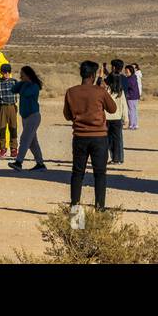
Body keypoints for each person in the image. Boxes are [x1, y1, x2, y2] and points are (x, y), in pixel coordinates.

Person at [64, 60, 116, 211]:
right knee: (100, 174)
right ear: (93, 75)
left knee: (77, 173)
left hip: (79, 137)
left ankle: (75, 213)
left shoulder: (71, 92)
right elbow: (112, 109)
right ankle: (99, 210)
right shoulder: (100, 92)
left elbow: (67, 115)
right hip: (99, 137)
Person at [9, 66, 46, 171]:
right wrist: (22, 82)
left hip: (33, 116)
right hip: (26, 117)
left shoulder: (34, 86)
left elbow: (25, 93)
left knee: (25, 139)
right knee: (33, 143)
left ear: (28, 75)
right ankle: (40, 164)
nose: (20, 76)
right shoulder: (24, 84)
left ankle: (19, 162)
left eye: (22, 74)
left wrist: (24, 84)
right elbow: (13, 89)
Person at [0, 63, 19, 159]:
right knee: (2, 128)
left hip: (12, 107)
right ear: (1, 72)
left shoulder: (14, 82)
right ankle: (3, 149)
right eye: (4, 72)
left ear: (10, 73)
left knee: (13, 128)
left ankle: (14, 149)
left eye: (8, 72)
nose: (6, 74)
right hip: (2, 108)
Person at [104, 70, 126, 165]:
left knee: (109, 140)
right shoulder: (120, 92)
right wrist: (125, 118)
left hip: (108, 118)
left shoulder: (106, 92)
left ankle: (114, 158)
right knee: (117, 140)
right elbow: (124, 106)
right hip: (117, 119)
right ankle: (117, 159)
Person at [122, 63, 140, 130]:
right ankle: (135, 124)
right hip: (135, 96)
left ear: (131, 71)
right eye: (125, 71)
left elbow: (129, 86)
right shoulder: (134, 77)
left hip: (131, 97)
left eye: (127, 71)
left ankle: (132, 125)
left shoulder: (130, 79)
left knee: (131, 111)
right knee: (134, 110)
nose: (126, 73)